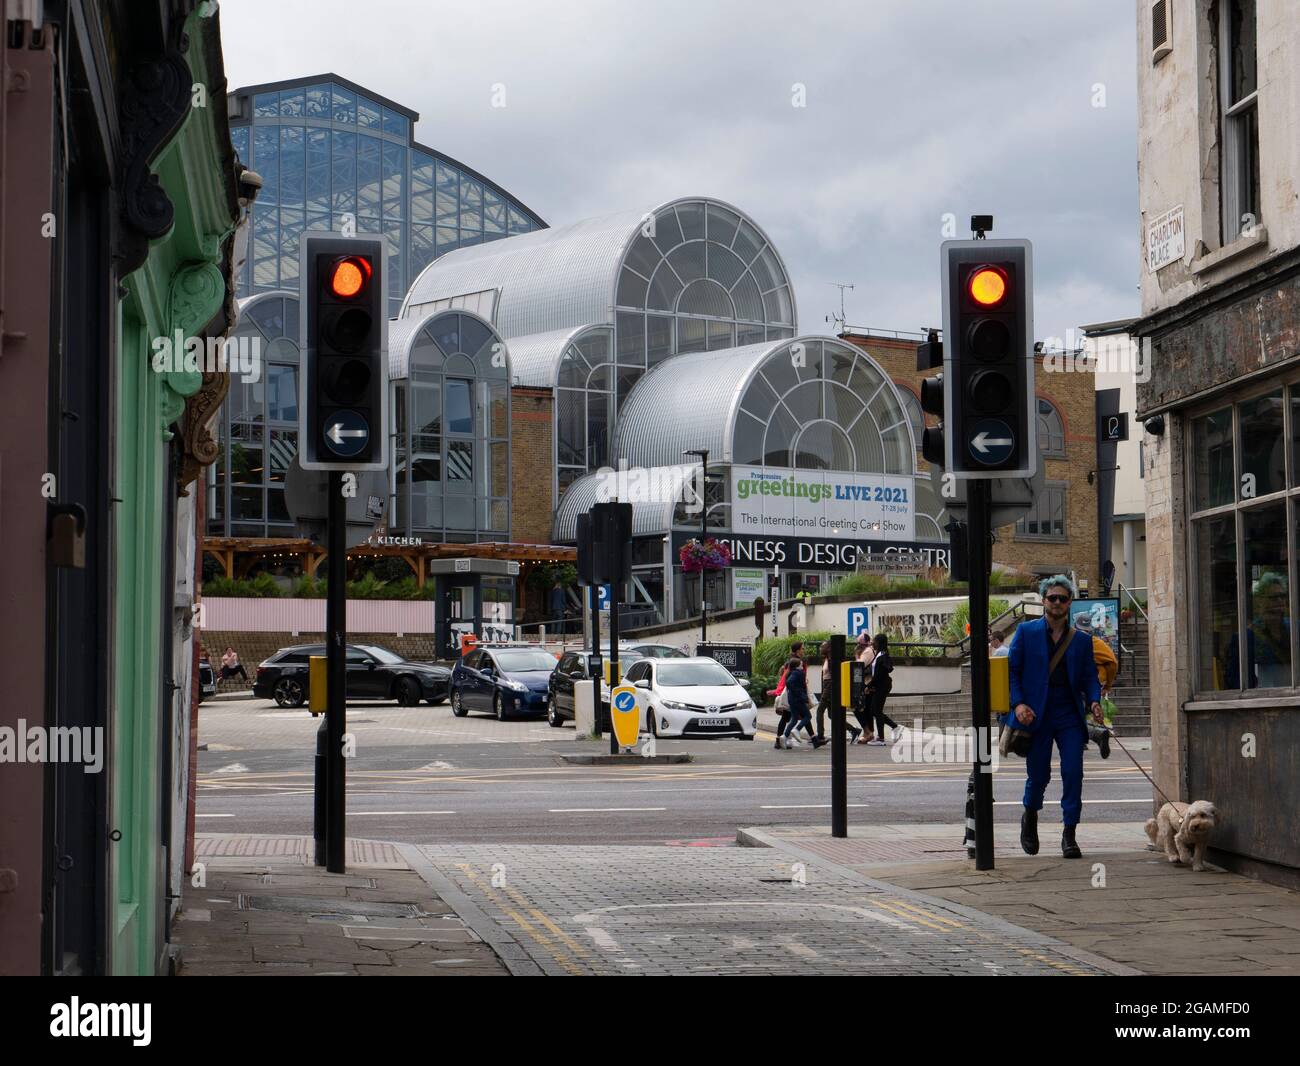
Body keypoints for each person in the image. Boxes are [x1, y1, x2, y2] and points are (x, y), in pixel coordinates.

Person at [1008, 575, 1103, 859]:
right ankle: (1030, 816)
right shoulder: (1026, 632)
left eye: (1063, 598)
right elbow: (1012, 671)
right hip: (1035, 715)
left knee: (1073, 772)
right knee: (1038, 775)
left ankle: (1069, 834)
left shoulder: (1082, 641)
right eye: (1053, 598)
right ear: (1043, 600)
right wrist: (1018, 704)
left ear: (1070, 602)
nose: (1058, 603)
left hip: (1069, 715)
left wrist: (1095, 701)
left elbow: (1090, 676)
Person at [1073, 614, 1117, 759]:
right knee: (1080, 714)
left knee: (1072, 716)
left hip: (1080, 685)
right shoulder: (1095, 642)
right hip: (1093, 684)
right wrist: (1107, 685)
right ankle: (1084, 739)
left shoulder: (1073, 642)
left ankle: (1093, 734)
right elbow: (1112, 663)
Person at [866, 633, 899, 744]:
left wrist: (869, 686)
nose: (872, 643)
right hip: (880, 685)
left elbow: (879, 675)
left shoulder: (882, 656)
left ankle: (880, 738)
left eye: (874, 641)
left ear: (879, 643)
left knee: (876, 711)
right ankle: (894, 727)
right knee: (874, 710)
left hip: (882, 686)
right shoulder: (880, 654)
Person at [778, 656, 817, 749]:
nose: (802, 664)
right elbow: (790, 683)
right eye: (800, 663)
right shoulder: (798, 673)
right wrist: (801, 695)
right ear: (796, 665)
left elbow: (789, 683)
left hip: (792, 699)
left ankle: (784, 736)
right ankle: (797, 729)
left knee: (794, 719)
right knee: (808, 716)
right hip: (798, 699)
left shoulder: (792, 672)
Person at [808, 642, 833, 748]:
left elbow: (833, 677)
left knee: (820, 710)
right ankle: (854, 730)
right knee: (832, 715)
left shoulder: (832, 660)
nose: (820, 648)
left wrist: (826, 690)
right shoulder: (826, 659)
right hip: (827, 687)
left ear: (828, 648)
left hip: (830, 687)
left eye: (822, 646)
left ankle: (821, 736)